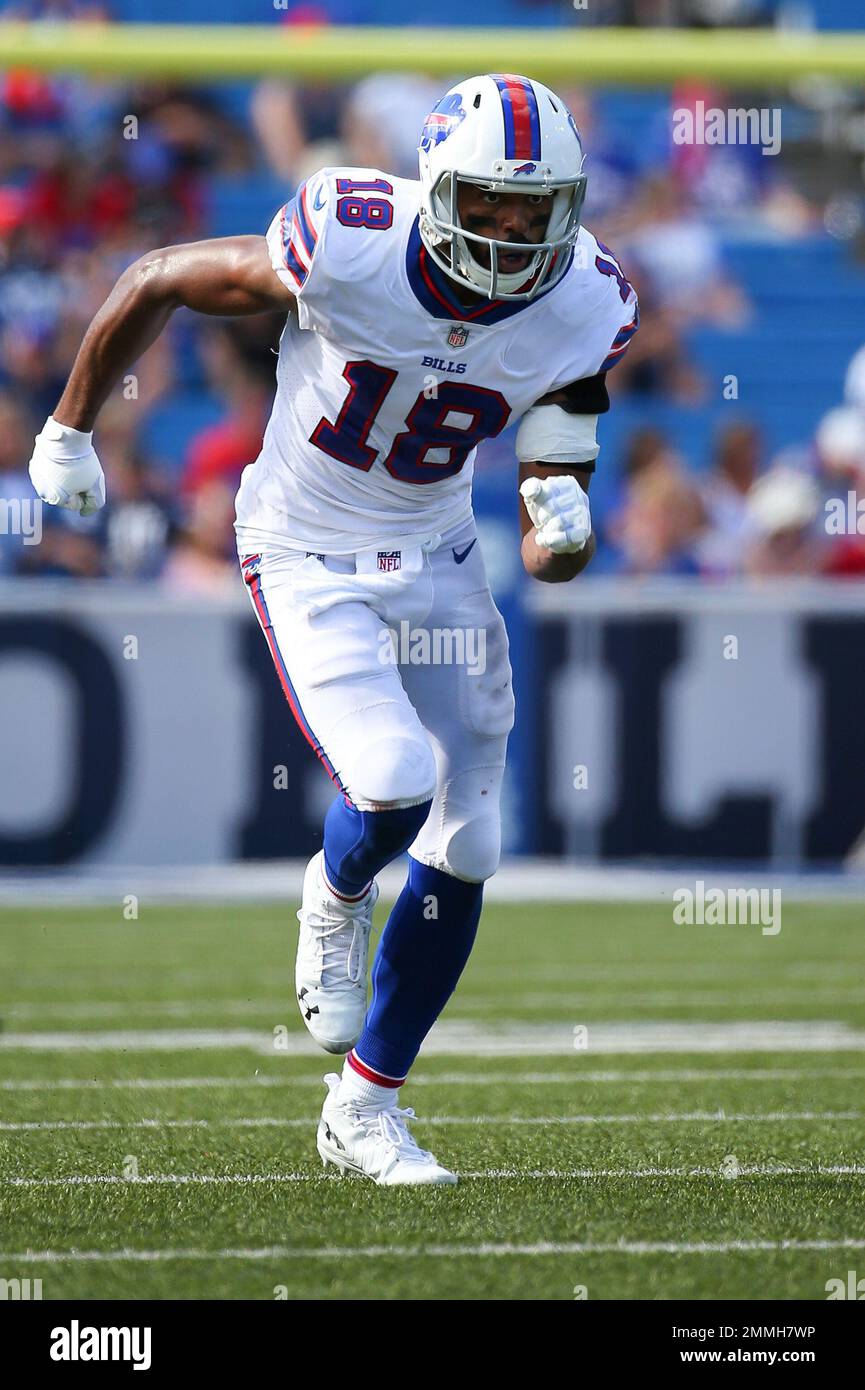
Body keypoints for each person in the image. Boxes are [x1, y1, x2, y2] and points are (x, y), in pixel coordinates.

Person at [28, 73, 639, 1185]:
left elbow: (556, 537)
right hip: (306, 548)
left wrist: (563, 524)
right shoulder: (347, 238)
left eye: (533, 207)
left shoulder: (587, 301)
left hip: (444, 553)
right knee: (395, 777)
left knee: (475, 838)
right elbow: (157, 275)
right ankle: (337, 892)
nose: (511, 231)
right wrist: (69, 431)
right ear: (435, 188)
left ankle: (362, 1107)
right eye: (490, 204)